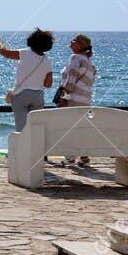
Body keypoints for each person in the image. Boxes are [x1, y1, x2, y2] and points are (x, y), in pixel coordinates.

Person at [0, 29, 55, 132]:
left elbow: (4, 52)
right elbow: (48, 84)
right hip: (38, 96)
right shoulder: (47, 61)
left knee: (21, 129)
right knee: (35, 128)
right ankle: (34, 147)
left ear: (32, 40)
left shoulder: (25, 53)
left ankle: (22, 147)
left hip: (21, 94)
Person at [55, 34, 97, 167]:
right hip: (85, 100)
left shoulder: (75, 58)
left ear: (80, 44)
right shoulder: (90, 63)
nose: (70, 42)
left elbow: (71, 78)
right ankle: (84, 157)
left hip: (72, 99)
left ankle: (69, 159)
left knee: (67, 128)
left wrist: (64, 95)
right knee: (80, 129)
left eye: (73, 40)